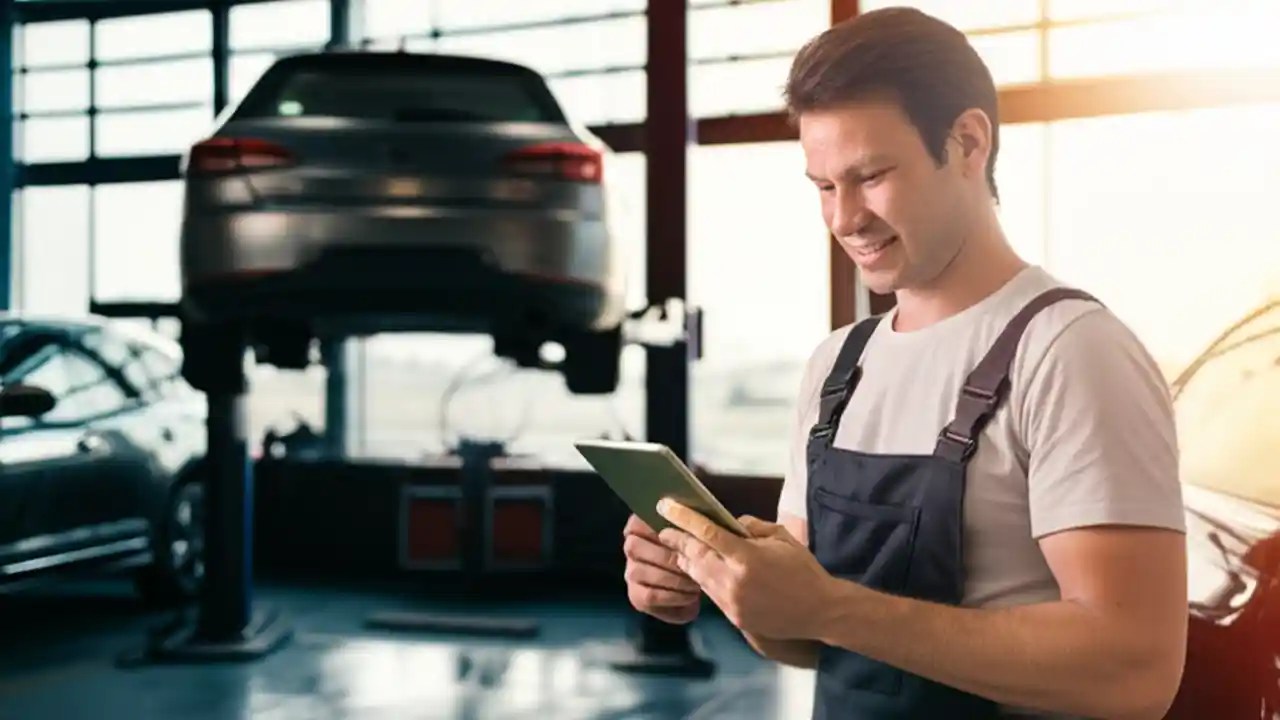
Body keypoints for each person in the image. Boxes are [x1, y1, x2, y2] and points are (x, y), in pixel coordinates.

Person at [621, 7, 1187, 720]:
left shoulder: (1071, 351)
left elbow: (1132, 672)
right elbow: (806, 636)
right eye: (824, 187)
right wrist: (721, 582)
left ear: (968, 143)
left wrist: (829, 605)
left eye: (872, 175)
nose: (844, 218)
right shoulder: (836, 366)